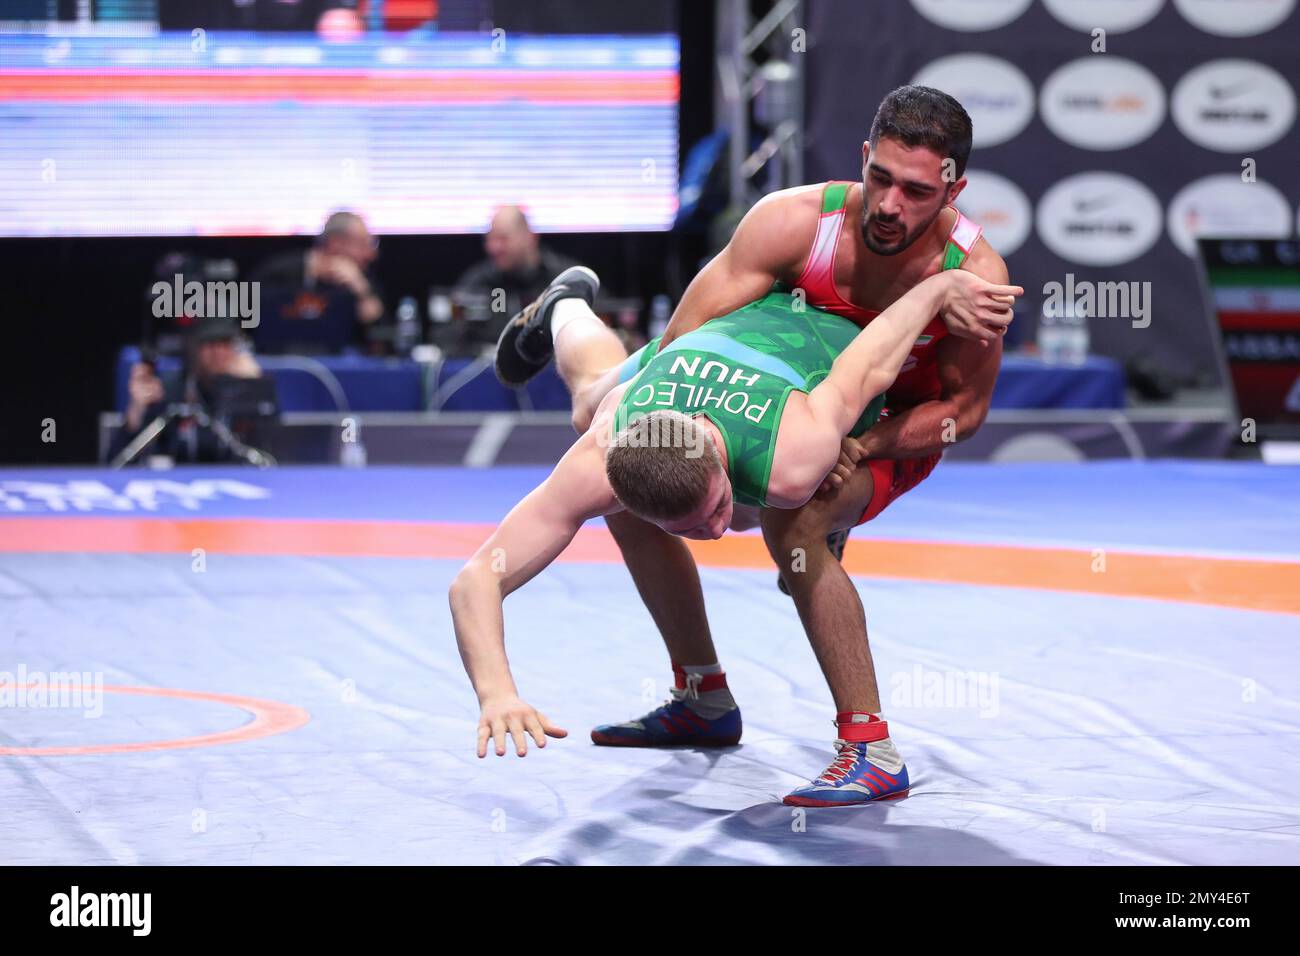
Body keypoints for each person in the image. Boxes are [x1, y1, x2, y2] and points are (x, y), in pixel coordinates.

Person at [484, 85, 1017, 807]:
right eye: (881, 178)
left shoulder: (975, 275)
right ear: (863, 158)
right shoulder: (792, 223)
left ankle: (871, 750)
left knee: (793, 521)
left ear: (953, 186)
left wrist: (865, 445)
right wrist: (676, 430)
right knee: (623, 460)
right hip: (771, 384)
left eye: (916, 191)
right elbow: (681, 343)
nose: (890, 205)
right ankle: (704, 699)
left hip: (886, 422)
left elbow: (964, 413)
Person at [111, 316, 265, 464]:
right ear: (194, 348)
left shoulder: (249, 390)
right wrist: (135, 414)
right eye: (210, 343)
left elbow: (274, 462)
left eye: (225, 342)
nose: (218, 353)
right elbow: (115, 467)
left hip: (237, 484)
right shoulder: (170, 391)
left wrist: (256, 389)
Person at [452, 205, 580, 341]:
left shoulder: (566, 280)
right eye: (490, 239)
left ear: (530, 237)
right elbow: (445, 334)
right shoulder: (477, 283)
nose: (494, 247)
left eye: (503, 239)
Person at [252, 210, 384, 332]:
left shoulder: (362, 282)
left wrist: (363, 294)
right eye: (363, 244)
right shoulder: (277, 272)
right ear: (336, 243)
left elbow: (384, 338)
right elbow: (243, 315)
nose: (372, 255)